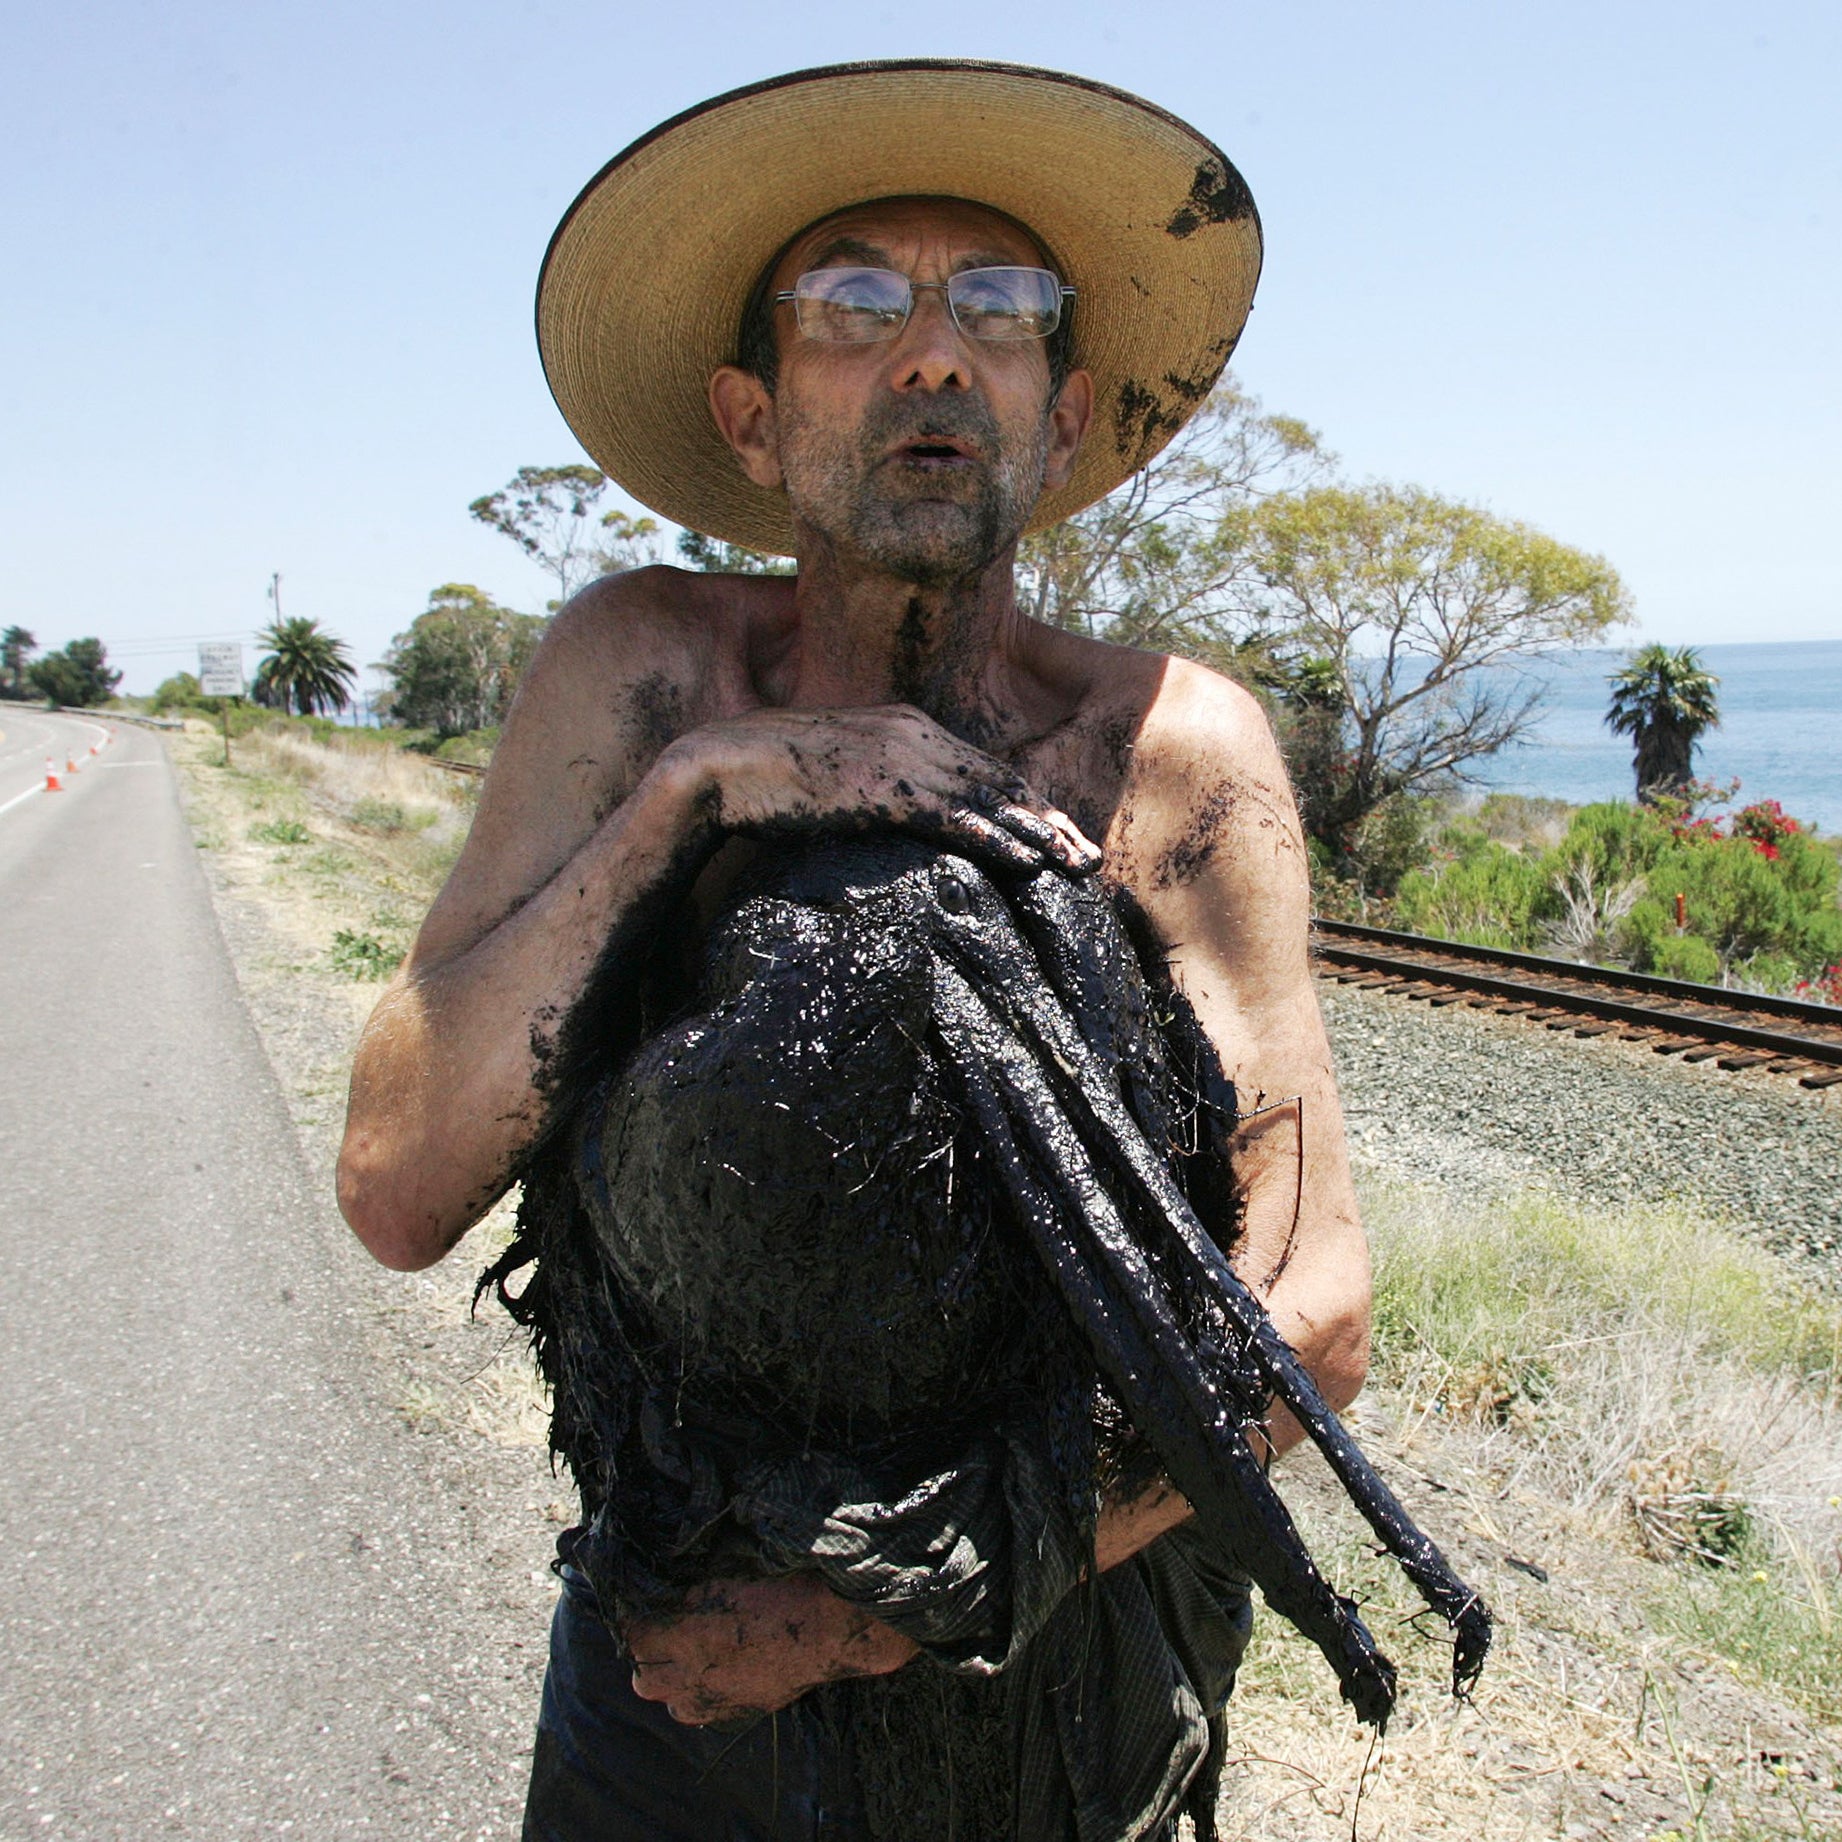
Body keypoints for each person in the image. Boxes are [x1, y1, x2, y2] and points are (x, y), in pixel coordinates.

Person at [338, 59, 1372, 1842]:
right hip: (676, 1652)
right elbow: (395, 1180)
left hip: (1050, 1668)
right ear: (750, 418)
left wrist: (879, 1603)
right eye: (852, 303)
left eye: (1001, 306)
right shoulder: (647, 673)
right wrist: (692, 797)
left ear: (1057, 422)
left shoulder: (1172, 760)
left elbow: (1313, 1308)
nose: (931, 351)